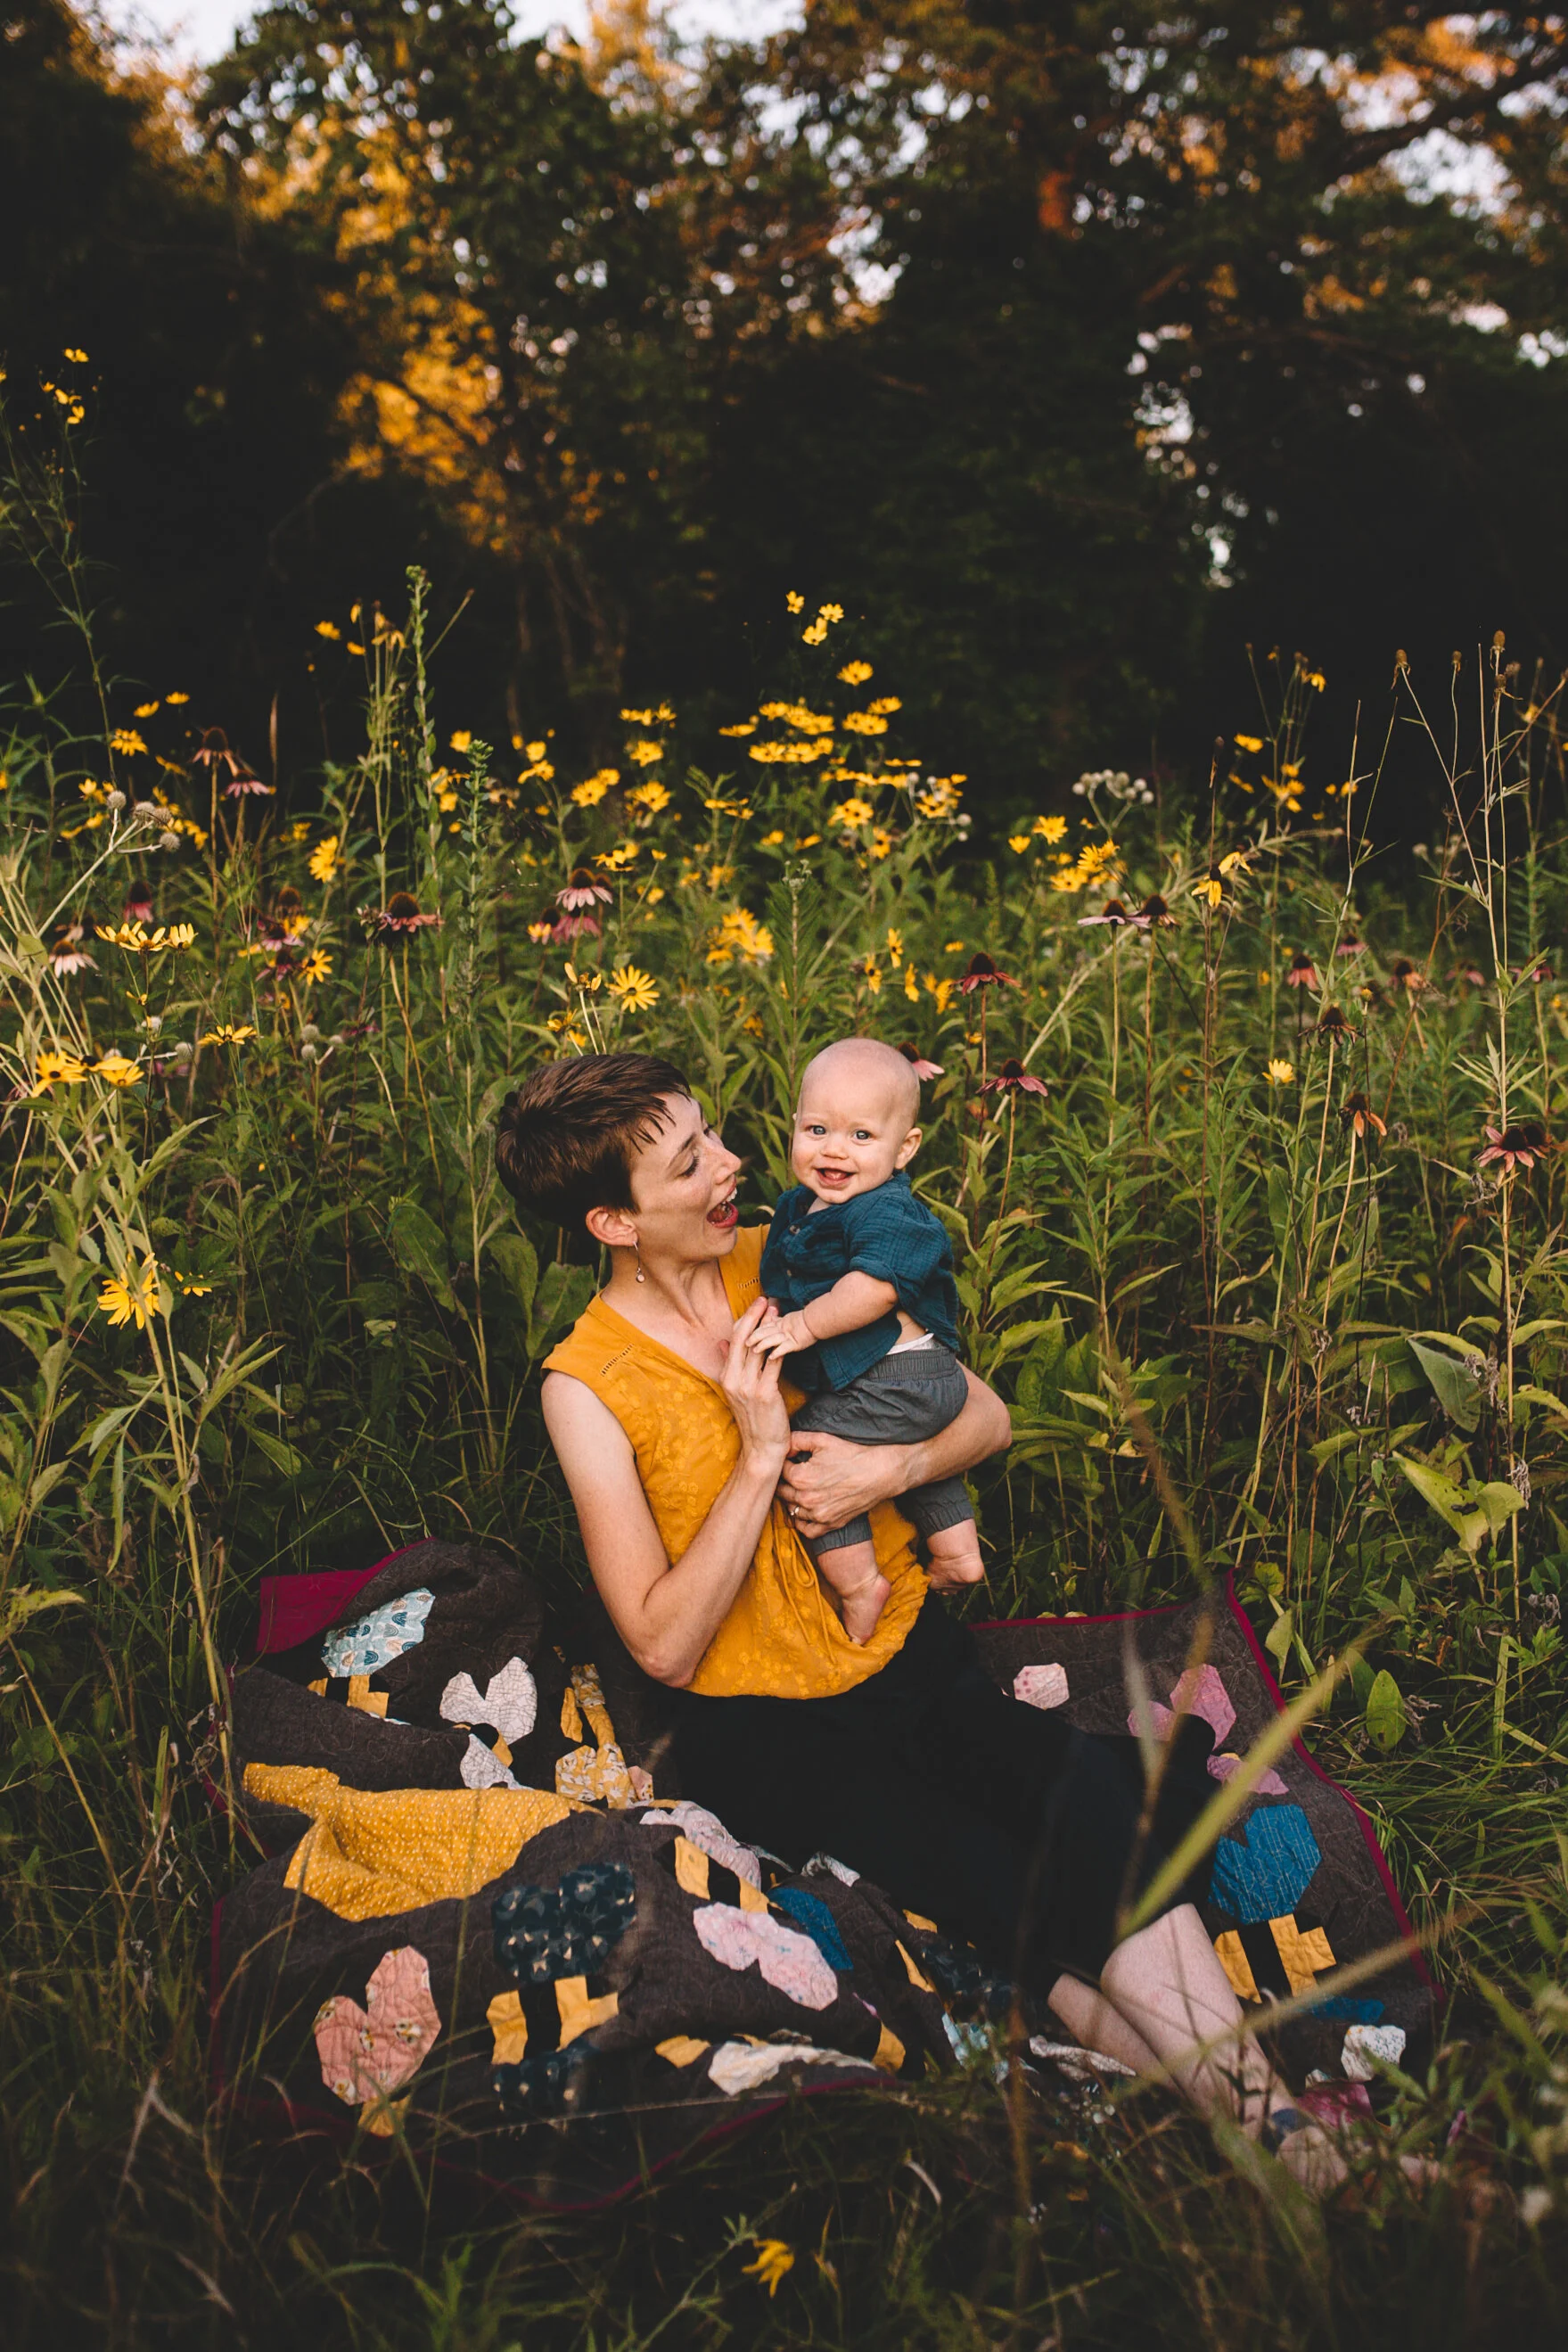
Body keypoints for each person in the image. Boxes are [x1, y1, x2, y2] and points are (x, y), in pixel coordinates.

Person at [495, 1049, 1358, 2192]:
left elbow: (984, 1416)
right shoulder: (586, 1384)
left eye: (715, 1137)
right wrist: (759, 1463)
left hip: (905, 1652)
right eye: (690, 1160)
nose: (733, 1164)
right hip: (761, 1725)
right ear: (611, 1219)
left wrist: (881, 1469)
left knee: (1090, 1805)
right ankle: (1267, 2139)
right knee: (988, 1884)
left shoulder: (800, 1247)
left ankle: (1272, 2131)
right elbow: (659, 1641)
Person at [750, 1035, 981, 1644]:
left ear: (904, 1148)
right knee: (907, 1442)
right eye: (818, 1129)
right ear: (795, 1127)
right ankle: (958, 1553)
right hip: (906, 1385)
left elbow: (873, 1290)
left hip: (902, 1375)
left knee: (810, 1449)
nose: (834, 1151)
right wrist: (767, 1315)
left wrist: (797, 1328)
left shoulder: (886, 1212)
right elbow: (781, 1281)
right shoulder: (797, 1207)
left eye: (861, 1137)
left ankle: (857, 1586)